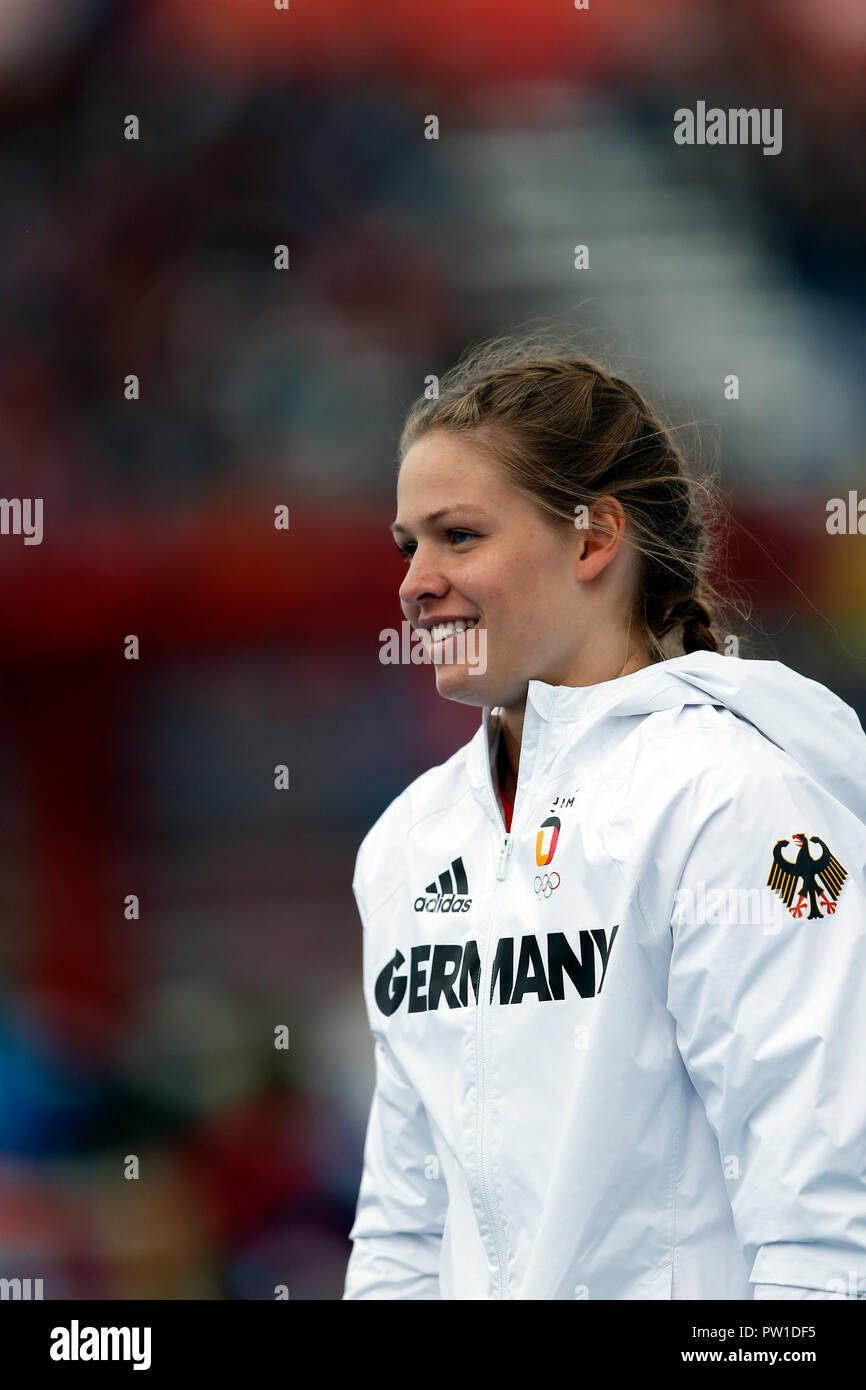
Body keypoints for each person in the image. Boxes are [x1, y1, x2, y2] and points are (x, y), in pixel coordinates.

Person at [342, 334, 866, 1300]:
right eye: (408, 545)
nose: (414, 583)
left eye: (459, 537)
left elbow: (831, 1215)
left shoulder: (742, 802)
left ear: (593, 538)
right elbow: (403, 1233)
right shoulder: (406, 846)